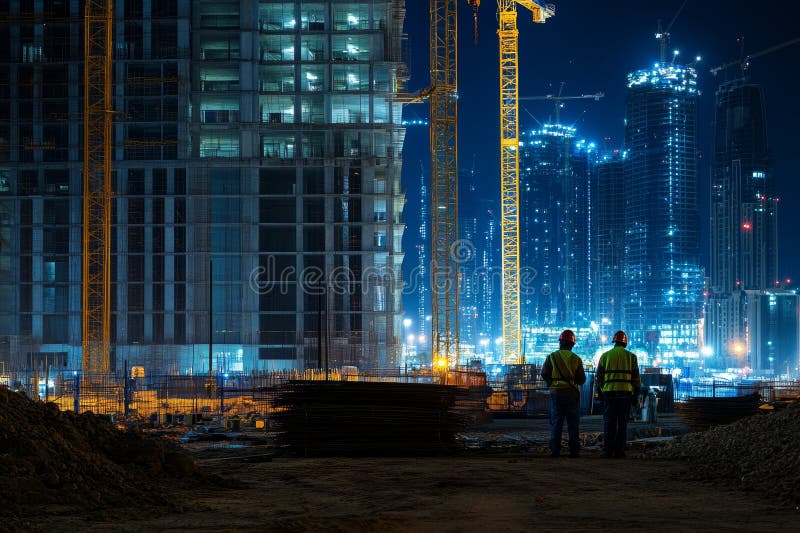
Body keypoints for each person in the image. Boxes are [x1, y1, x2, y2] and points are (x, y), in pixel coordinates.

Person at [541, 329, 587, 458]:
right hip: (572, 394)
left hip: (556, 394)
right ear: (572, 344)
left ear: (560, 343)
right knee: (573, 423)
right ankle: (574, 451)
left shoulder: (552, 357)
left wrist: (552, 383)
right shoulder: (576, 359)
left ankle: (555, 451)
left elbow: (544, 373)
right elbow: (582, 379)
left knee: (556, 423)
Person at [596, 330, 641, 458]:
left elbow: (599, 377)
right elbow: (636, 379)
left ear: (614, 342)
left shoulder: (605, 356)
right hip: (625, 394)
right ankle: (619, 451)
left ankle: (608, 451)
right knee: (622, 423)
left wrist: (600, 392)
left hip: (609, 393)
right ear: (625, 343)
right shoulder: (631, 357)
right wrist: (636, 395)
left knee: (609, 422)